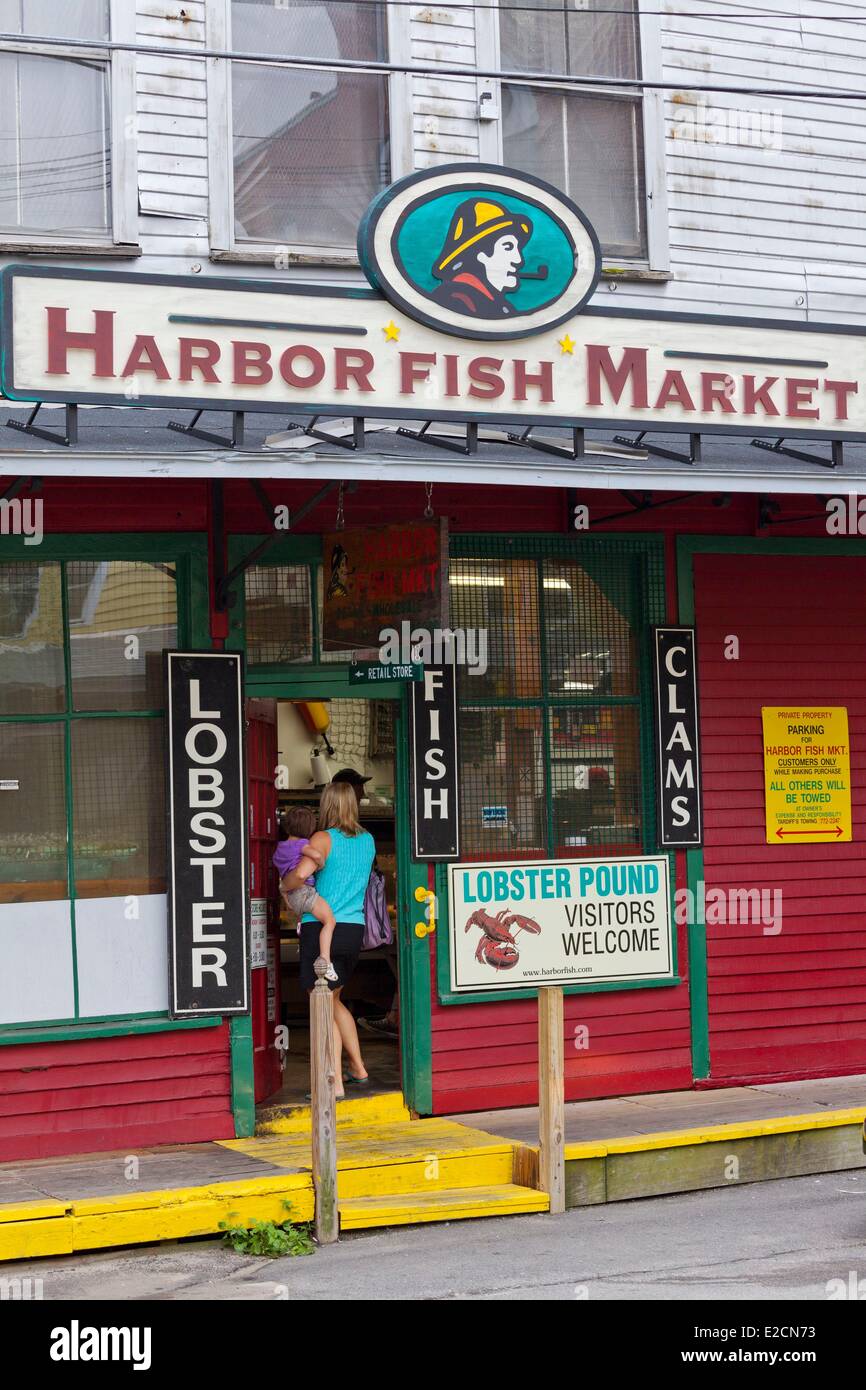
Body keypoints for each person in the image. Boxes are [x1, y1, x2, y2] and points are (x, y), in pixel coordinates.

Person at [281, 781, 376, 1098]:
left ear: (327, 806)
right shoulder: (368, 841)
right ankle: (358, 1068)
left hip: (320, 927)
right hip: (353, 930)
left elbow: (300, 874)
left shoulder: (322, 838)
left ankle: (331, 1083)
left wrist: (286, 882)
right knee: (334, 1001)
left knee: (321, 1005)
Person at [429, 197, 533, 320]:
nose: (519, 260)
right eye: (508, 247)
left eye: (517, 248)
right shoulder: (455, 299)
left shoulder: (501, 307)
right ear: (480, 254)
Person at [273, 806, 338, 983]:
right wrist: (322, 863)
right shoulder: (301, 844)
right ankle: (325, 960)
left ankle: (302, 925)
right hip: (304, 892)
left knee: (311, 915)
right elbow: (316, 854)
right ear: (310, 829)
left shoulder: (280, 847)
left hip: (291, 896)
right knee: (329, 921)